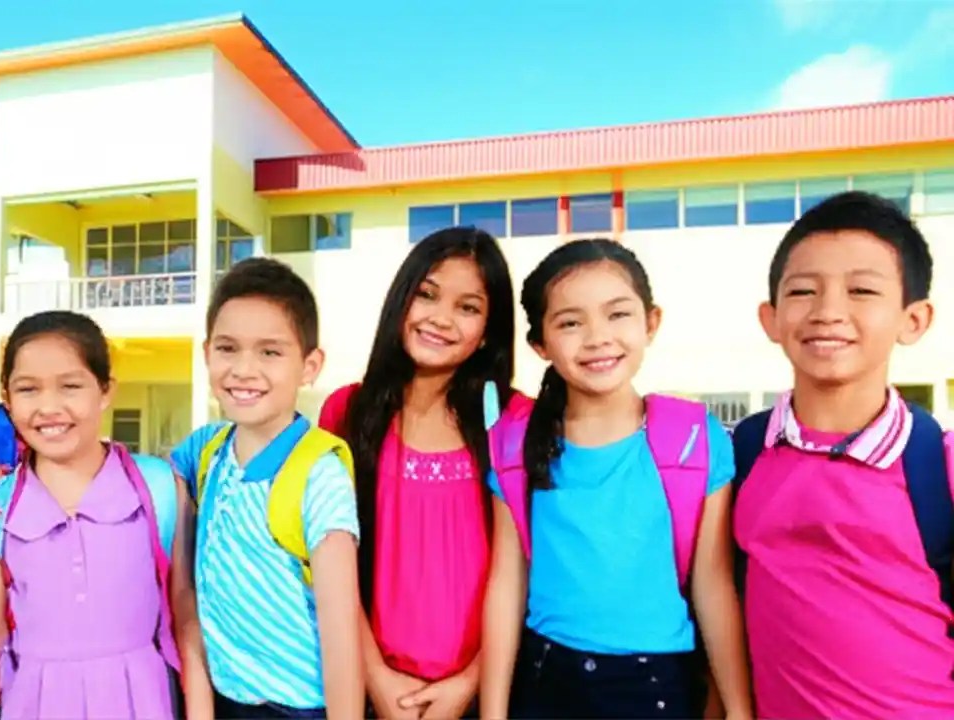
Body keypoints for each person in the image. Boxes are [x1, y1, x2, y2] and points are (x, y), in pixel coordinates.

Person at [479, 239, 752, 719]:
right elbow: (506, 585)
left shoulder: (692, 439)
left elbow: (713, 585)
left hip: (657, 685)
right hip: (546, 679)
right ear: (540, 344)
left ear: (651, 322)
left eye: (617, 314)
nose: (597, 337)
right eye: (570, 322)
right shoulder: (515, 445)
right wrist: (494, 712)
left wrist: (738, 708)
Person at [731, 191, 954, 718]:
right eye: (804, 290)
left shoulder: (938, 466)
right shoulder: (739, 454)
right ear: (771, 317)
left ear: (914, 320)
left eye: (862, 290)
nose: (829, 312)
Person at [0, 311, 209, 720]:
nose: (49, 407)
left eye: (71, 386)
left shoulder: (158, 486)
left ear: (105, 390)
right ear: (7, 398)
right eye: (28, 389)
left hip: (141, 704)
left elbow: (185, 620)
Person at [317, 227, 519, 719]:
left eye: (468, 307)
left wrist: (470, 684)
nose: (441, 319)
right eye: (427, 295)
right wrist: (376, 678)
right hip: (370, 691)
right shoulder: (347, 411)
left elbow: (526, 574)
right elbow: (330, 566)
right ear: (401, 300)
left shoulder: (514, 423)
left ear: (489, 330)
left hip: (481, 693)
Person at [174, 257, 363, 718]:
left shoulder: (319, 472)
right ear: (206, 354)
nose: (243, 369)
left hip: (297, 708)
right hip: (224, 699)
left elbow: (342, 639)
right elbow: (123, 467)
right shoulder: (205, 450)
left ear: (310, 365)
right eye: (228, 348)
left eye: (270, 352)